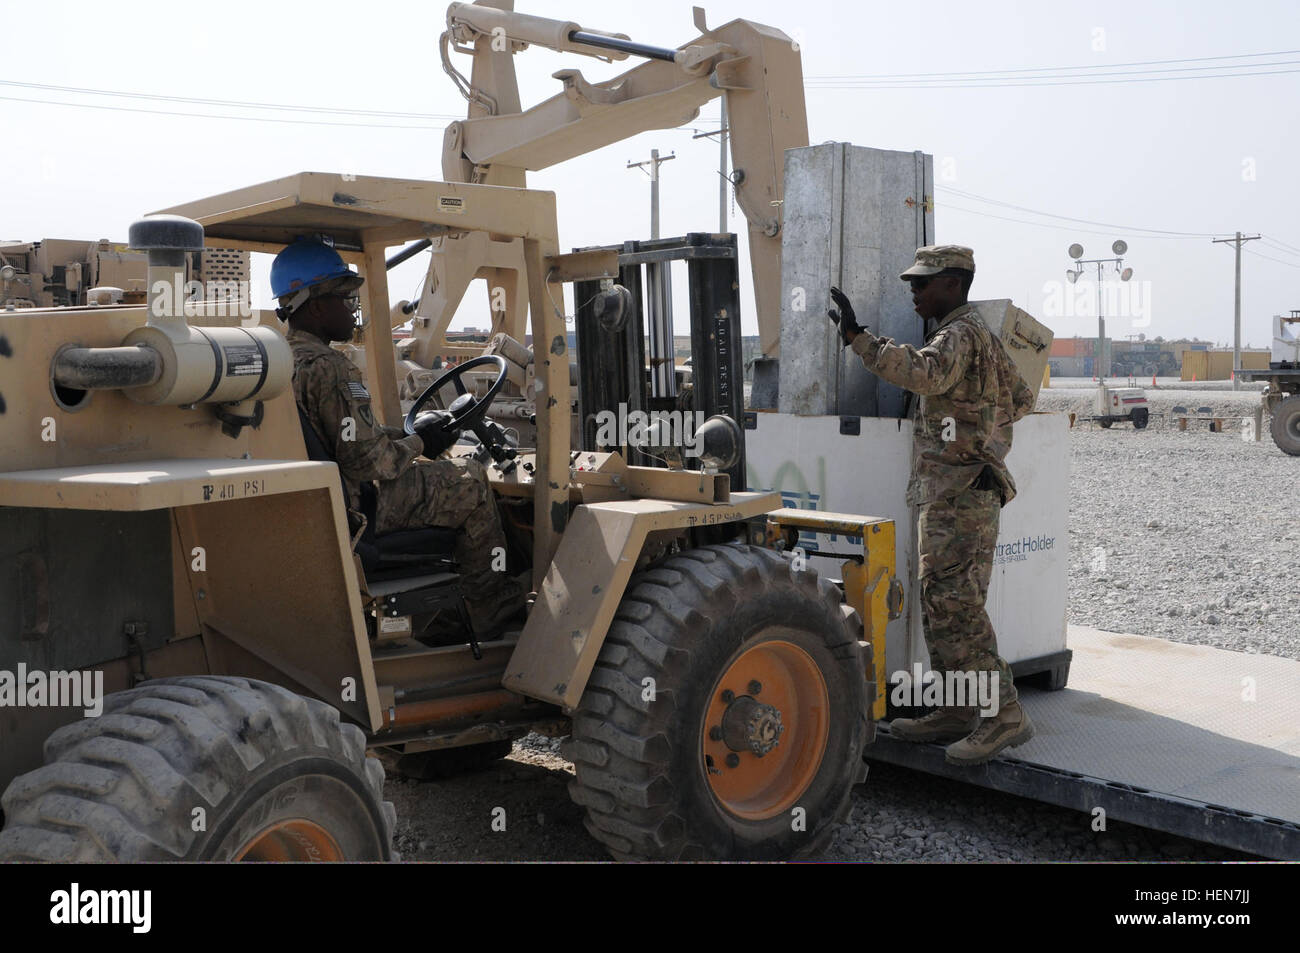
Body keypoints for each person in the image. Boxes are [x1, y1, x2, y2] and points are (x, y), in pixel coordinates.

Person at [826, 245, 1038, 765]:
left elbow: (924, 374)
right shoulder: (979, 336)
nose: (914, 293)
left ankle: (1003, 713)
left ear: (953, 283)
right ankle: (958, 709)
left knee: (956, 605)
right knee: (941, 601)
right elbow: (1022, 397)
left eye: (923, 284)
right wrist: (982, 427)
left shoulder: (959, 334)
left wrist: (860, 341)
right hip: (957, 487)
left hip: (960, 489)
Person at [271, 238, 523, 633]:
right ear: (316, 306)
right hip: (360, 506)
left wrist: (411, 435)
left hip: (322, 501)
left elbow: (349, 435)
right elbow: (370, 461)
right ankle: (487, 603)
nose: (352, 310)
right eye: (343, 298)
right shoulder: (329, 367)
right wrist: (422, 442)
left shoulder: (282, 361)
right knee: (470, 481)